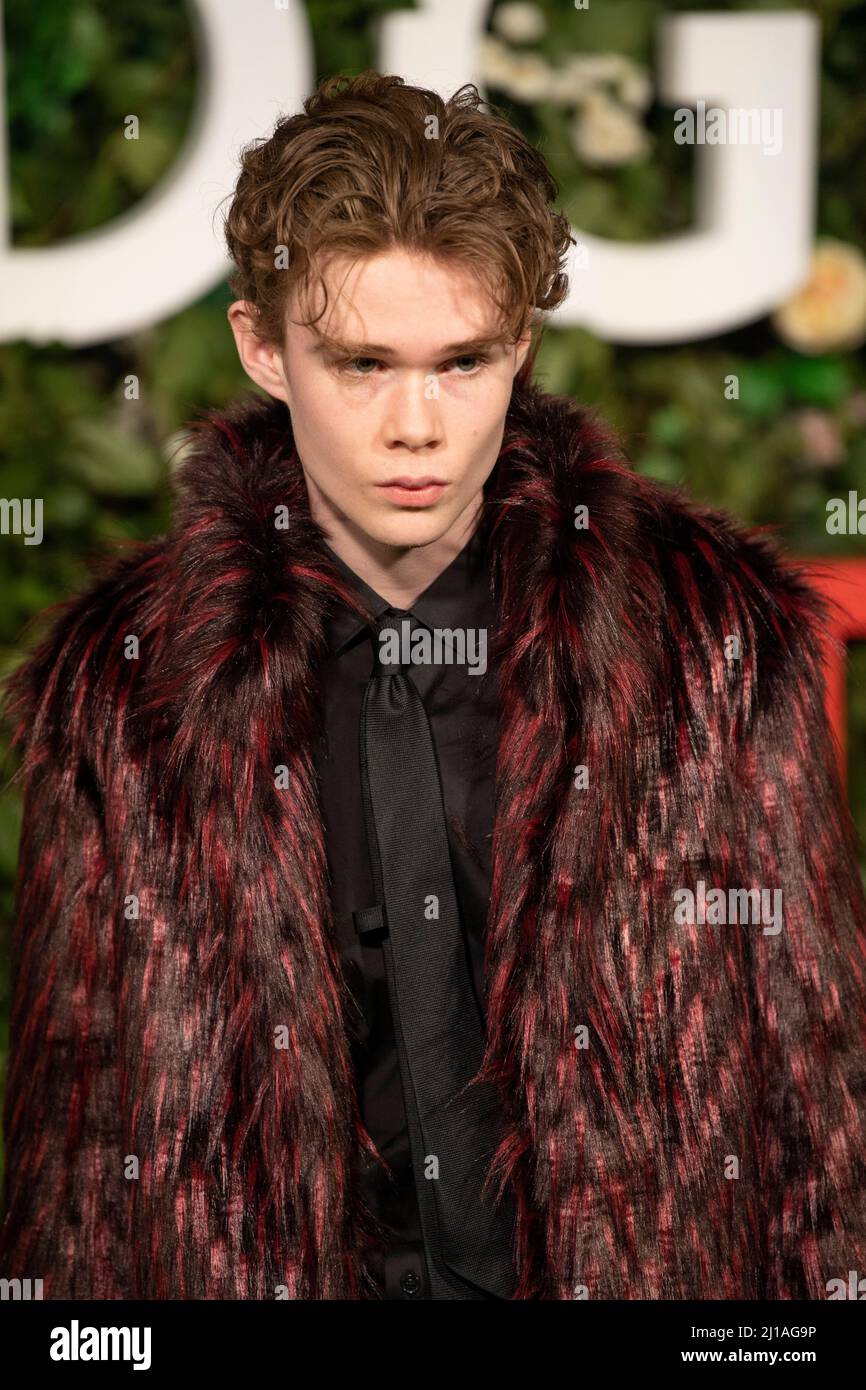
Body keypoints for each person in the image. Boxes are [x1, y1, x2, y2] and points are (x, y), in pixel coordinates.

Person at [1, 70, 864, 1301]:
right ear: (262, 347)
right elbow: (82, 1155)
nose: (416, 424)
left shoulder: (708, 645)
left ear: (521, 344)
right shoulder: (124, 692)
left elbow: (813, 1095)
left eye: (462, 361)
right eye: (360, 363)